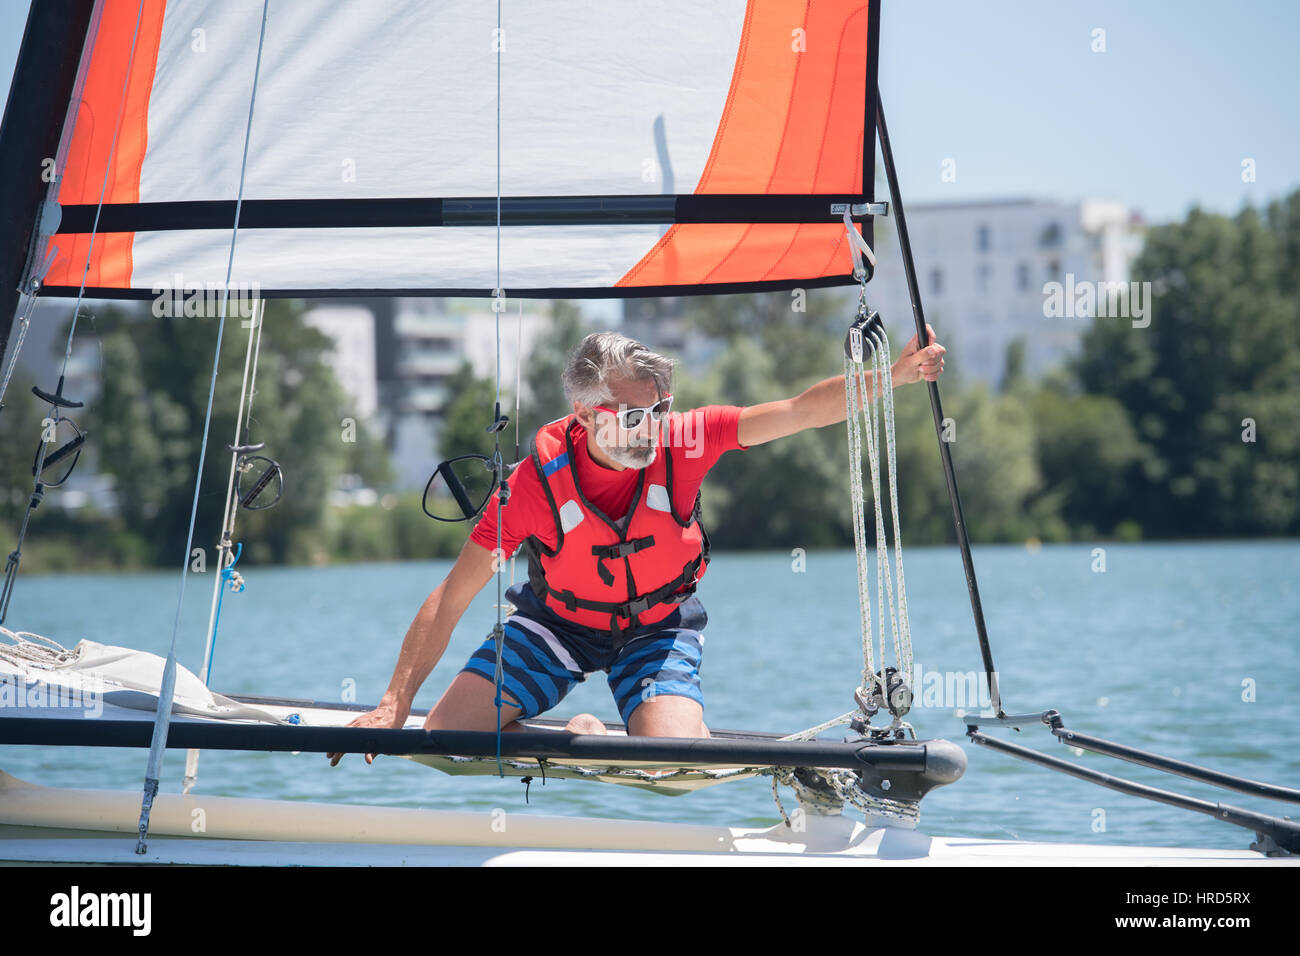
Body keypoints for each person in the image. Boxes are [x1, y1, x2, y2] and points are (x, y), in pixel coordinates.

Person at [328, 327, 944, 766]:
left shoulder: (687, 442)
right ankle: (586, 737)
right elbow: (452, 596)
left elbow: (799, 412)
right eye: (630, 416)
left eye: (659, 410)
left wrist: (893, 375)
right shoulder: (532, 489)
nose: (648, 428)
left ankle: (639, 733)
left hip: (657, 626)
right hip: (558, 624)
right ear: (583, 411)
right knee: (449, 735)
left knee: (674, 764)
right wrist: (391, 705)